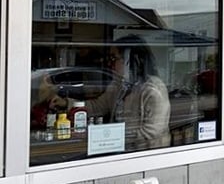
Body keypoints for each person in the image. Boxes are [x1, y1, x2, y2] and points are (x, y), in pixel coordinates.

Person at [41, 35, 171, 150]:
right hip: (121, 149)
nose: (110, 64)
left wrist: (110, 136)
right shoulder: (120, 84)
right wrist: (66, 103)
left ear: (131, 61)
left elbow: (152, 132)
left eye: (114, 58)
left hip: (145, 156)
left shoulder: (153, 89)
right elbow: (98, 106)